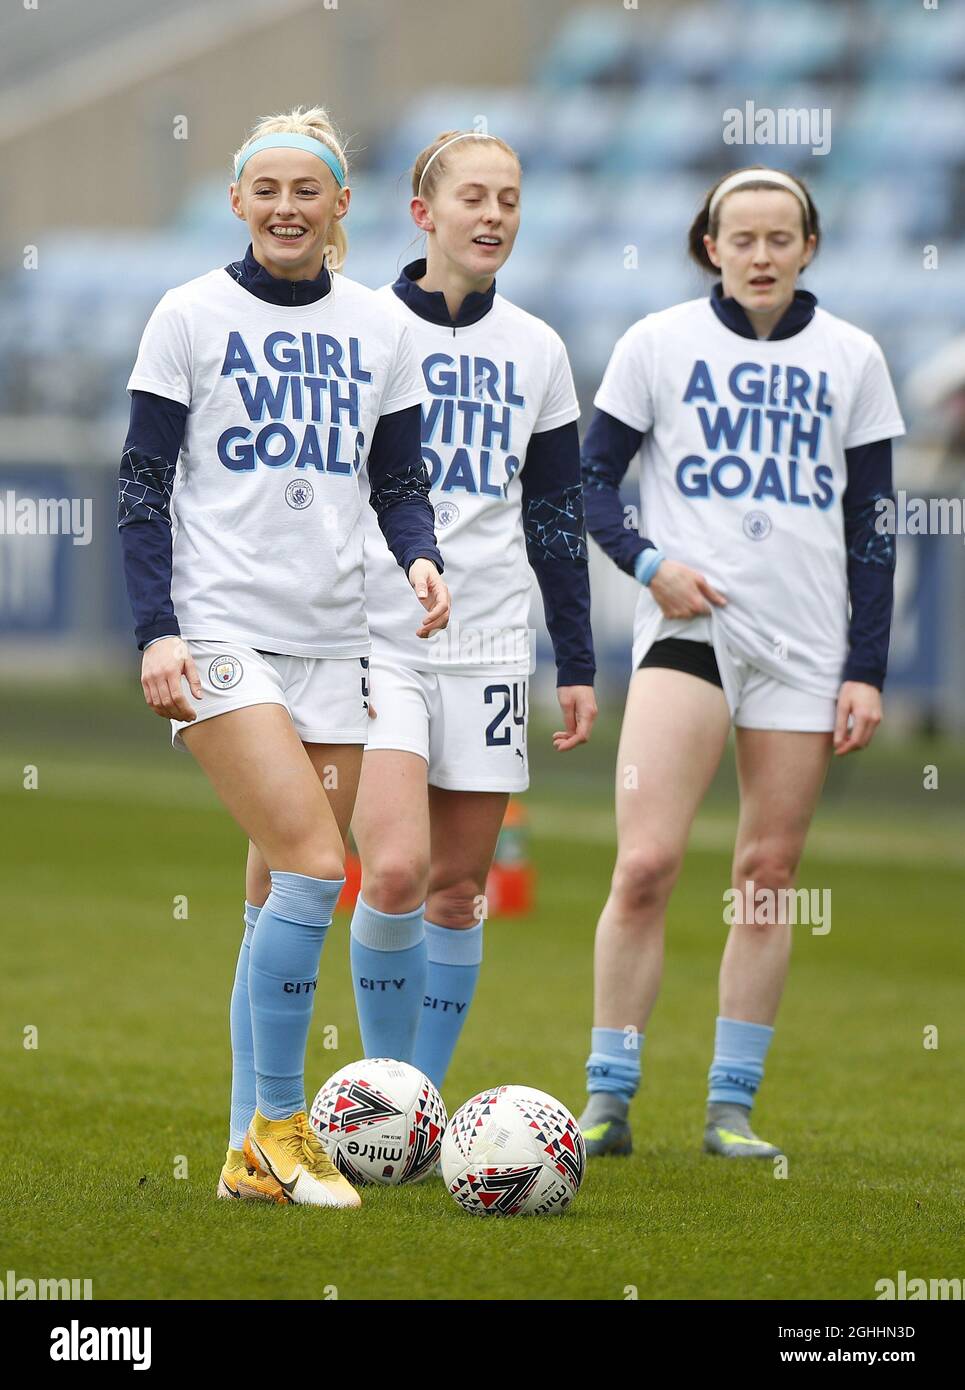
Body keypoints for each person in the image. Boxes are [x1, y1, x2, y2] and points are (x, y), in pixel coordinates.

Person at [118, 106, 449, 1206]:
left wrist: (420, 557)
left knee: (275, 895)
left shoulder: (380, 326)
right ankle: (275, 1127)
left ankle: (242, 1153)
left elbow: (398, 480)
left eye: (307, 190)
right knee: (315, 864)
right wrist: (156, 628)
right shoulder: (188, 313)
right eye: (266, 189)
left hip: (332, 640)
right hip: (220, 630)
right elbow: (140, 486)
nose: (286, 207)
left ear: (340, 204)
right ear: (236, 201)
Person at [577, 165, 905, 1159]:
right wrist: (648, 564)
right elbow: (586, 481)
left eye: (779, 238)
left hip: (803, 648)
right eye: (742, 239)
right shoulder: (657, 343)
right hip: (692, 629)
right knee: (645, 864)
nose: (760, 256)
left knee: (766, 873)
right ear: (708, 246)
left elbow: (873, 525)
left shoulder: (852, 357)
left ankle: (729, 1109)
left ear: (808, 247)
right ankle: (608, 1097)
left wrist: (864, 668)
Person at [345, 129, 596, 1090]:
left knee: (457, 892)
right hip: (377, 635)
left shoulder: (538, 348)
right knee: (394, 872)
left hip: (491, 645)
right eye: (473, 198)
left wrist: (575, 659)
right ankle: (384, 1094)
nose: (493, 216)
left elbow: (556, 515)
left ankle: (424, 1104)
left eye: (509, 200)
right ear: (423, 213)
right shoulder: (361, 325)